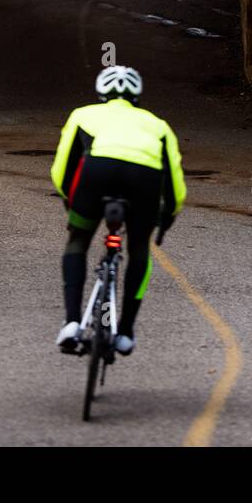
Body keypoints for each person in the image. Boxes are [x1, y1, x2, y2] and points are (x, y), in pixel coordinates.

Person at [50, 65, 186, 356]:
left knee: (78, 241)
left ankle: (72, 322)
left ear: (101, 94)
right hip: (144, 180)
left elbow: (63, 167)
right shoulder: (158, 124)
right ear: (137, 96)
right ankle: (125, 332)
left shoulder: (83, 115)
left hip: (97, 173)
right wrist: (168, 217)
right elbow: (174, 180)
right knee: (139, 251)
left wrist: (69, 200)